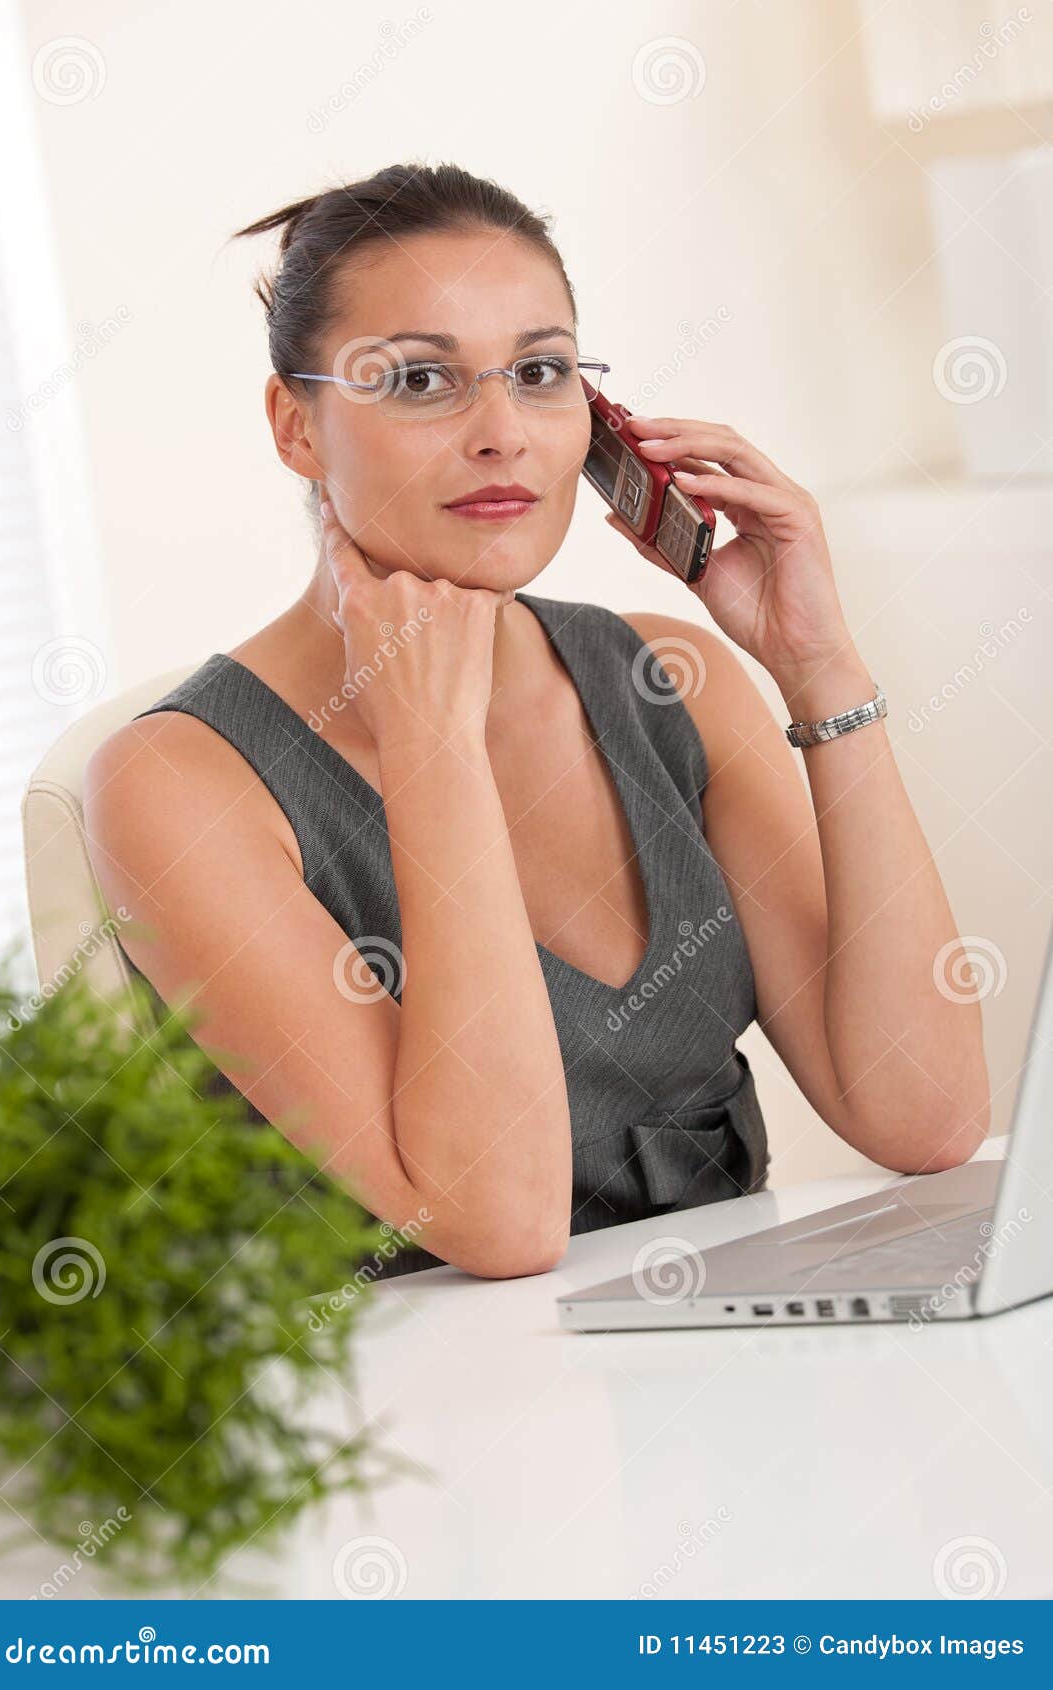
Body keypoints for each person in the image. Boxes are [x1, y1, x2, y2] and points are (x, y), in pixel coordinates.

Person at [84, 161, 990, 1282]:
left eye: (540, 371)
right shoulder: (175, 781)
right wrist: (432, 741)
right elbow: (501, 1224)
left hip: (730, 1386)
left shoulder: (667, 681)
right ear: (296, 426)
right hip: (427, 1427)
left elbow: (925, 1115)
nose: (501, 431)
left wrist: (818, 669)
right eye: (420, 380)